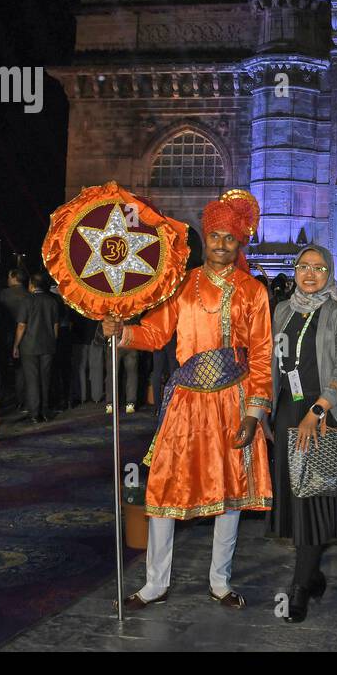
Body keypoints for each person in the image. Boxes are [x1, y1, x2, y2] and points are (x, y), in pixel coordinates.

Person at [103, 190, 273, 610]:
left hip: (232, 401)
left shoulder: (254, 292)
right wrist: (121, 333)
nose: (220, 244)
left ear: (239, 243)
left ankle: (220, 581)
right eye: (214, 236)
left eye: (229, 239)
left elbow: (263, 356)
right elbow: (156, 334)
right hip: (185, 402)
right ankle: (155, 584)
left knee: (229, 495)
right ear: (205, 238)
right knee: (162, 490)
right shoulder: (181, 284)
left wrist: (253, 414)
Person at [267, 244, 337, 623]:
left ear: (329, 273)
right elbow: (275, 363)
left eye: (318, 268)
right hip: (287, 413)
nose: (310, 274)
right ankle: (313, 573)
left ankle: (300, 587)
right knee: (295, 501)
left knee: (311, 502)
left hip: (321, 417)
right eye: (303, 267)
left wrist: (317, 409)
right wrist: (268, 415)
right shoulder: (282, 310)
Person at [13, 272, 61, 423]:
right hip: (47, 344)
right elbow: (56, 325)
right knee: (45, 378)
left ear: (31, 285)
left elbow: (21, 325)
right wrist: (53, 340)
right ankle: (45, 411)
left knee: (32, 379)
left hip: (29, 345)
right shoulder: (52, 301)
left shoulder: (27, 301)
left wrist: (16, 345)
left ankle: (34, 412)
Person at [0, 269, 29, 410]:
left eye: (9, 277)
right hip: (22, 335)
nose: (7, 279)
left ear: (14, 278)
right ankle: (21, 399)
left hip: (4, 334)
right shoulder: (28, 295)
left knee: (0, 368)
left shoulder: (4, 294)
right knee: (20, 369)